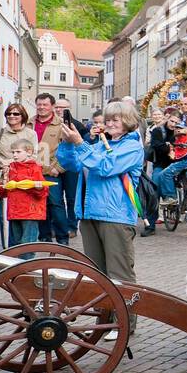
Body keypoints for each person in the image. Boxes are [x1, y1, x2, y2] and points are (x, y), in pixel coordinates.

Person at [56, 100, 145, 298]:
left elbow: (106, 167)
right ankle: (104, 323)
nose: (110, 123)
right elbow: (72, 164)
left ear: (128, 121)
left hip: (115, 217)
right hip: (89, 215)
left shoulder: (132, 147)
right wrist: (67, 143)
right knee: (97, 276)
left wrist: (80, 143)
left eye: (116, 119)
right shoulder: (99, 145)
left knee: (119, 276)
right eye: (108, 120)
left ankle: (125, 325)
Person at [0, 103, 38, 244]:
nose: (12, 116)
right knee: (4, 218)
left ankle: (22, 250)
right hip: (3, 180)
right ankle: (7, 250)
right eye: (9, 113)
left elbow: (34, 155)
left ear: (22, 116)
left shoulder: (30, 134)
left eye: (16, 114)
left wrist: (15, 164)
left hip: (23, 181)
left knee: (23, 219)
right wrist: (2, 162)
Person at [31, 95, 69, 245]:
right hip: (33, 172)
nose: (41, 107)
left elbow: (68, 150)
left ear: (52, 106)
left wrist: (58, 169)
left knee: (56, 204)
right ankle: (44, 235)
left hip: (51, 172)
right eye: (39, 104)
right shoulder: (29, 122)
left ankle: (62, 237)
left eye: (45, 105)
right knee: (39, 204)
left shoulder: (60, 124)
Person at [0, 138, 48, 247]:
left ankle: (27, 264)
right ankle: (15, 263)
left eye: (18, 152)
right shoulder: (10, 168)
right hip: (14, 212)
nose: (15, 155)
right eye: (13, 152)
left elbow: (43, 192)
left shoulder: (35, 168)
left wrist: (38, 188)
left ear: (29, 152)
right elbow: (6, 192)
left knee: (27, 245)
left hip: (30, 213)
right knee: (15, 244)